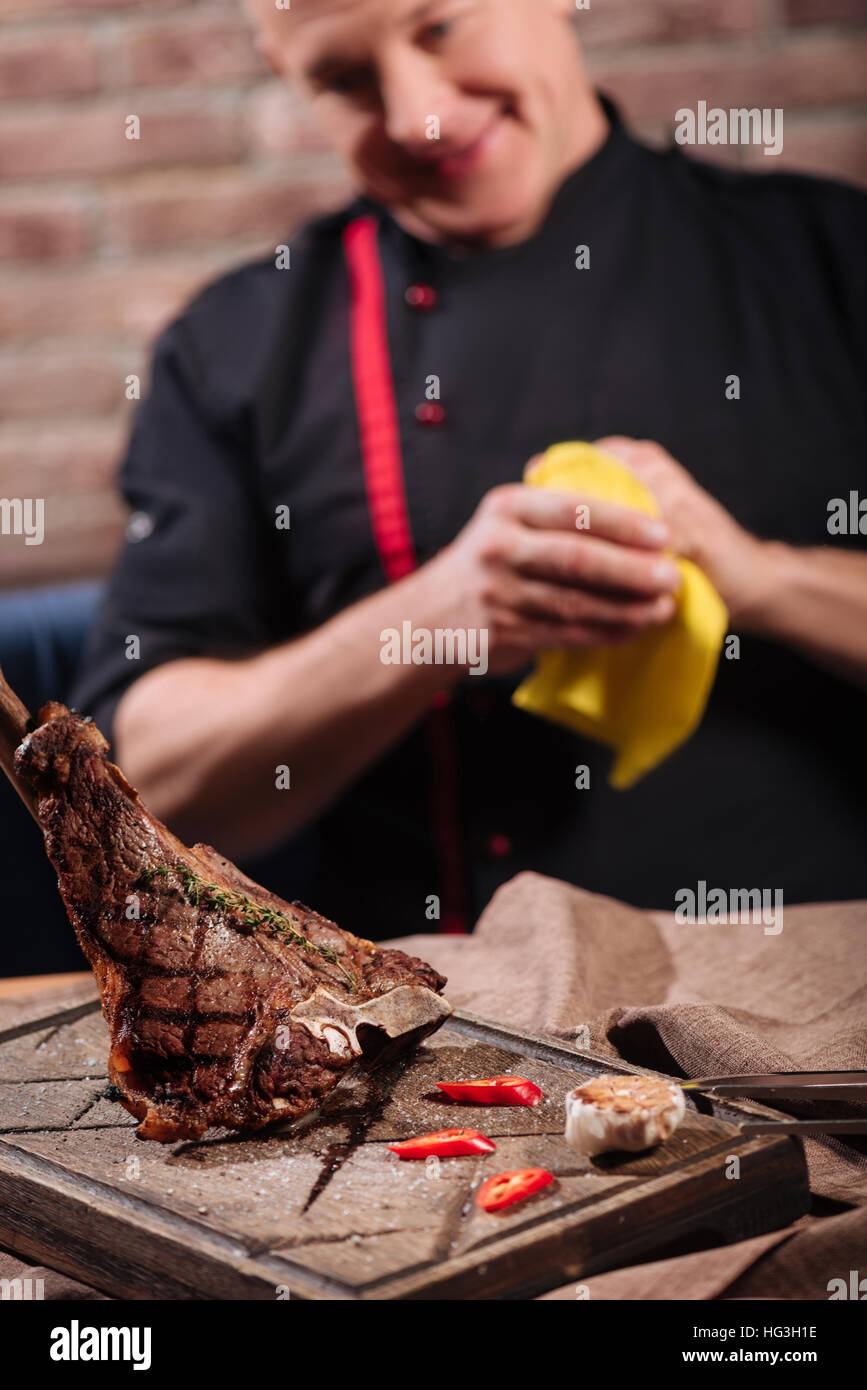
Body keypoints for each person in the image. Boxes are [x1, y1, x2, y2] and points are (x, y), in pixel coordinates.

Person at [72, 0, 867, 940]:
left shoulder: (826, 256)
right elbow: (141, 787)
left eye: (440, 28)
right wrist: (437, 617)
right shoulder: (233, 346)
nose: (418, 118)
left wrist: (759, 579)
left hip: (820, 1021)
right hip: (438, 1036)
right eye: (342, 78)